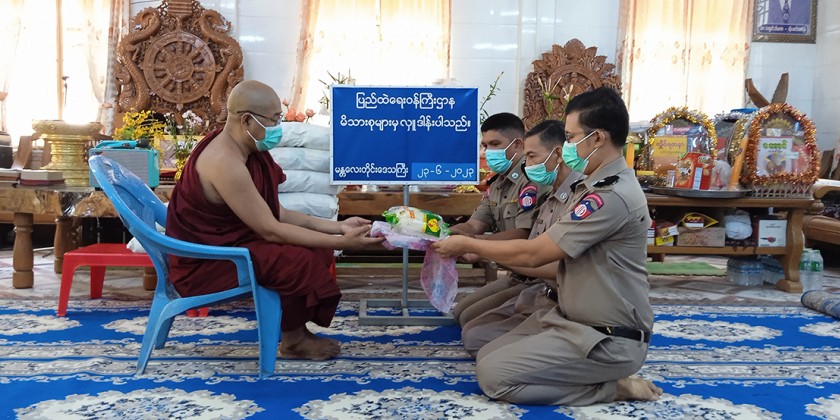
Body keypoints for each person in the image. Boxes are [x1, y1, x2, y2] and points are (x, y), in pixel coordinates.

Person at [431, 87, 662, 405]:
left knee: (494, 378)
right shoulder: (590, 184)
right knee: (485, 351)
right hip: (569, 319)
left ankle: (612, 388)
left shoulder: (611, 195)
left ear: (597, 138)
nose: (565, 146)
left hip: (606, 335)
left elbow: (534, 252)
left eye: (570, 137)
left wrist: (470, 246)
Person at [166, 80, 384, 361]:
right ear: (246, 119)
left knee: (316, 249)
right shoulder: (225, 161)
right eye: (274, 119)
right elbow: (270, 230)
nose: (278, 127)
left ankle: (296, 332)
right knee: (296, 260)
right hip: (208, 263)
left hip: (235, 245)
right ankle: (293, 341)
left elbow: (276, 212)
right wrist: (344, 242)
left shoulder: (246, 150)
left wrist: (338, 226)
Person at [460, 119, 583, 358]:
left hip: (561, 294)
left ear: (558, 153)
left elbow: (532, 250)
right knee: (468, 323)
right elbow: (478, 225)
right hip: (536, 285)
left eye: (532, 157)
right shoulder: (552, 197)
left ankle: (573, 351)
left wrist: (477, 247)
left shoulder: (582, 196)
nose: (527, 165)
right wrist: (451, 235)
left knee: (478, 342)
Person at [449, 112, 549, 326]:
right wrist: (445, 234)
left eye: (495, 144)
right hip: (515, 273)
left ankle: (537, 319)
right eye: (485, 145)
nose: (488, 152)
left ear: (517, 145)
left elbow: (523, 233)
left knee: (470, 320)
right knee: (460, 313)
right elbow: (475, 224)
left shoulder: (531, 179)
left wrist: (472, 244)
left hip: (537, 274)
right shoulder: (496, 183)